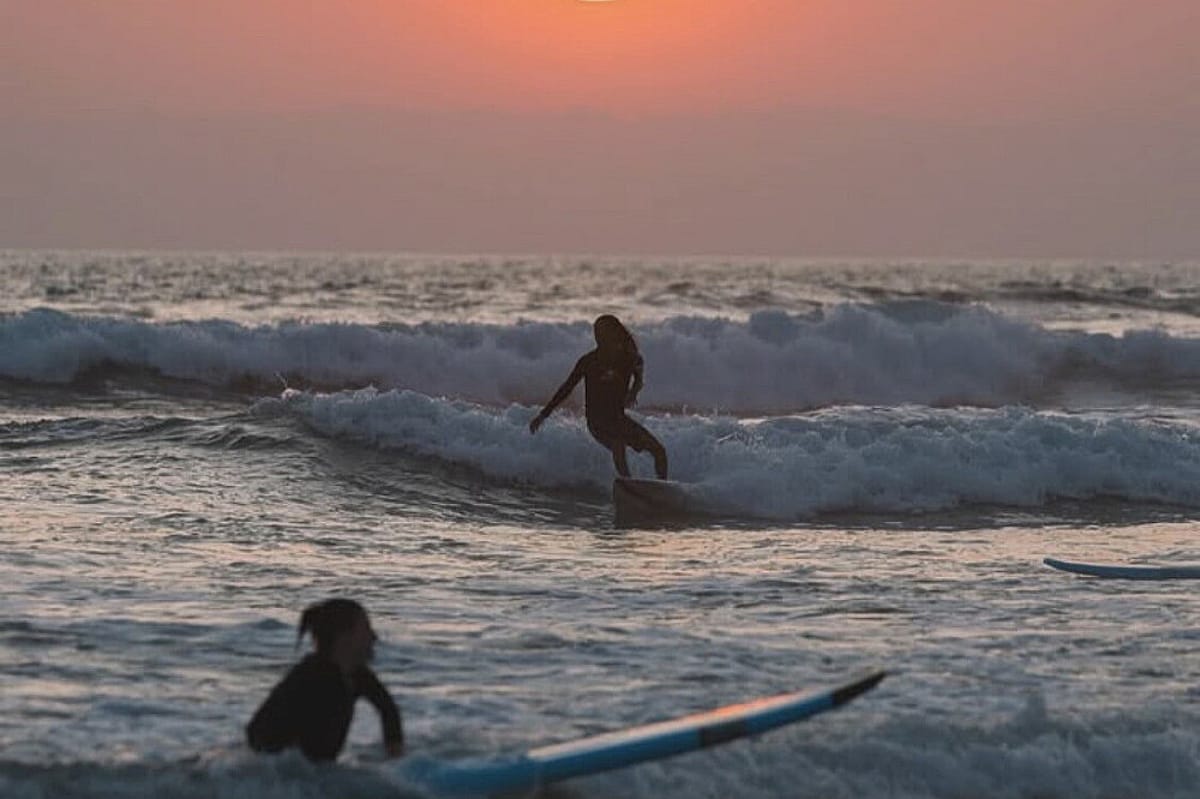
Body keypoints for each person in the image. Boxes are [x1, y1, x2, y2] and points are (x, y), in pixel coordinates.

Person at [246, 598, 404, 762]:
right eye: (365, 629)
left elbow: (388, 710)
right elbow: (258, 732)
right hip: (279, 774)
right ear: (344, 637)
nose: (373, 637)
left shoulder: (357, 674)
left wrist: (396, 759)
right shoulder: (314, 678)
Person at [529, 314, 668, 479]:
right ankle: (628, 484)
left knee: (659, 451)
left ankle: (662, 489)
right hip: (597, 423)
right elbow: (566, 389)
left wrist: (633, 392)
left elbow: (639, 377)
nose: (598, 337)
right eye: (596, 333)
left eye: (602, 333)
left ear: (614, 334)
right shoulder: (588, 362)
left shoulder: (629, 359)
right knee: (618, 444)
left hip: (619, 420)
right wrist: (543, 415)